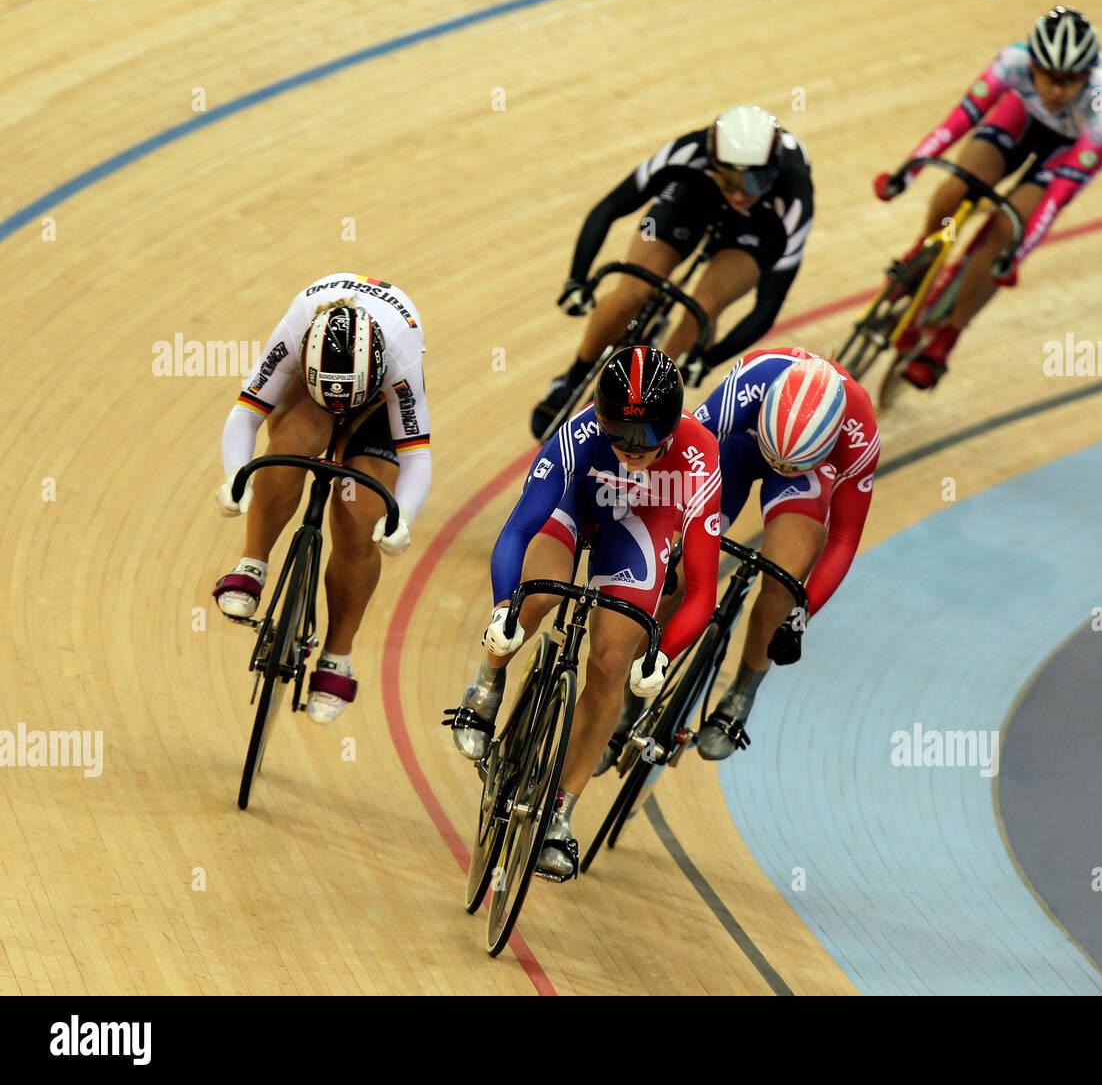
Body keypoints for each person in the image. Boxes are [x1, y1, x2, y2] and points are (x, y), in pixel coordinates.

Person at [447, 346, 722, 880]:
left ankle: (558, 816)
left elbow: (703, 590)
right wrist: (506, 606)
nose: (633, 448)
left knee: (611, 665)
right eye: (619, 431)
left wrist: (662, 654)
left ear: (673, 426)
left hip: (640, 529)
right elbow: (519, 529)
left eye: (647, 436)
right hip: (575, 510)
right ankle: (485, 687)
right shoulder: (578, 435)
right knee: (540, 595)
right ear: (599, 418)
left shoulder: (699, 455)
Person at [598, 348, 878, 769]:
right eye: (775, 456)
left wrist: (800, 616)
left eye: (786, 462)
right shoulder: (751, 383)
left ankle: (741, 694)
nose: (777, 466)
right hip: (737, 447)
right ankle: (627, 700)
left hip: (808, 475)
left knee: (784, 582)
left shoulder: (859, 435)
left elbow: (843, 538)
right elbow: (676, 456)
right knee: (670, 571)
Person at [212, 273, 432, 722]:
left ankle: (337, 653)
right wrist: (236, 475)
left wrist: (402, 516)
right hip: (313, 390)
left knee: (360, 518)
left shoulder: (399, 359)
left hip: (374, 404)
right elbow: (246, 412)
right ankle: (252, 563)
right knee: (290, 447)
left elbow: (416, 457)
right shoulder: (296, 331)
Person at [873, 6, 1102, 389]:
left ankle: (946, 338)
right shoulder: (1013, 63)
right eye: (1048, 76)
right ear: (1033, 64)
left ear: (1088, 76)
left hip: (1069, 149)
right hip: (1022, 118)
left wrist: (1015, 255)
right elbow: (956, 123)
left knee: (1006, 231)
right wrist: (905, 173)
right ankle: (923, 256)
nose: (1057, 90)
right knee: (960, 185)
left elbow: (1053, 201)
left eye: (1070, 80)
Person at [529, 105, 815, 437]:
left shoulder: (795, 199)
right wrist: (576, 280)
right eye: (731, 178)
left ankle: (651, 399)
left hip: (758, 228)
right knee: (629, 294)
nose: (739, 193)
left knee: (703, 310)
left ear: (775, 170)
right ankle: (573, 377)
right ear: (712, 161)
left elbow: (768, 305)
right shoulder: (687, 153)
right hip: (692, 199)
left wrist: (708, 358)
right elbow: (610, 207)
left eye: (755, 181)